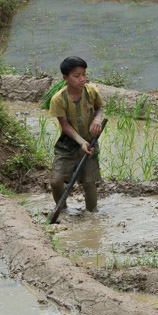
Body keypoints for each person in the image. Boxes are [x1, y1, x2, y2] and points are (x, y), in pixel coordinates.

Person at [48, 56, 105, 214]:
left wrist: (97, 120)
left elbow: (99, 108)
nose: (82, 79)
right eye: (77, 75)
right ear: (65, 78)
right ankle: (63, 209)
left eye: (84, 74)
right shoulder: (58, 99)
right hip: (67, 145)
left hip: (89, 142)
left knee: (89, 183)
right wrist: (80, 142)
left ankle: (92, 214)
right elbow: (64, 125)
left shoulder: (91, 91)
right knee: (56, 181)